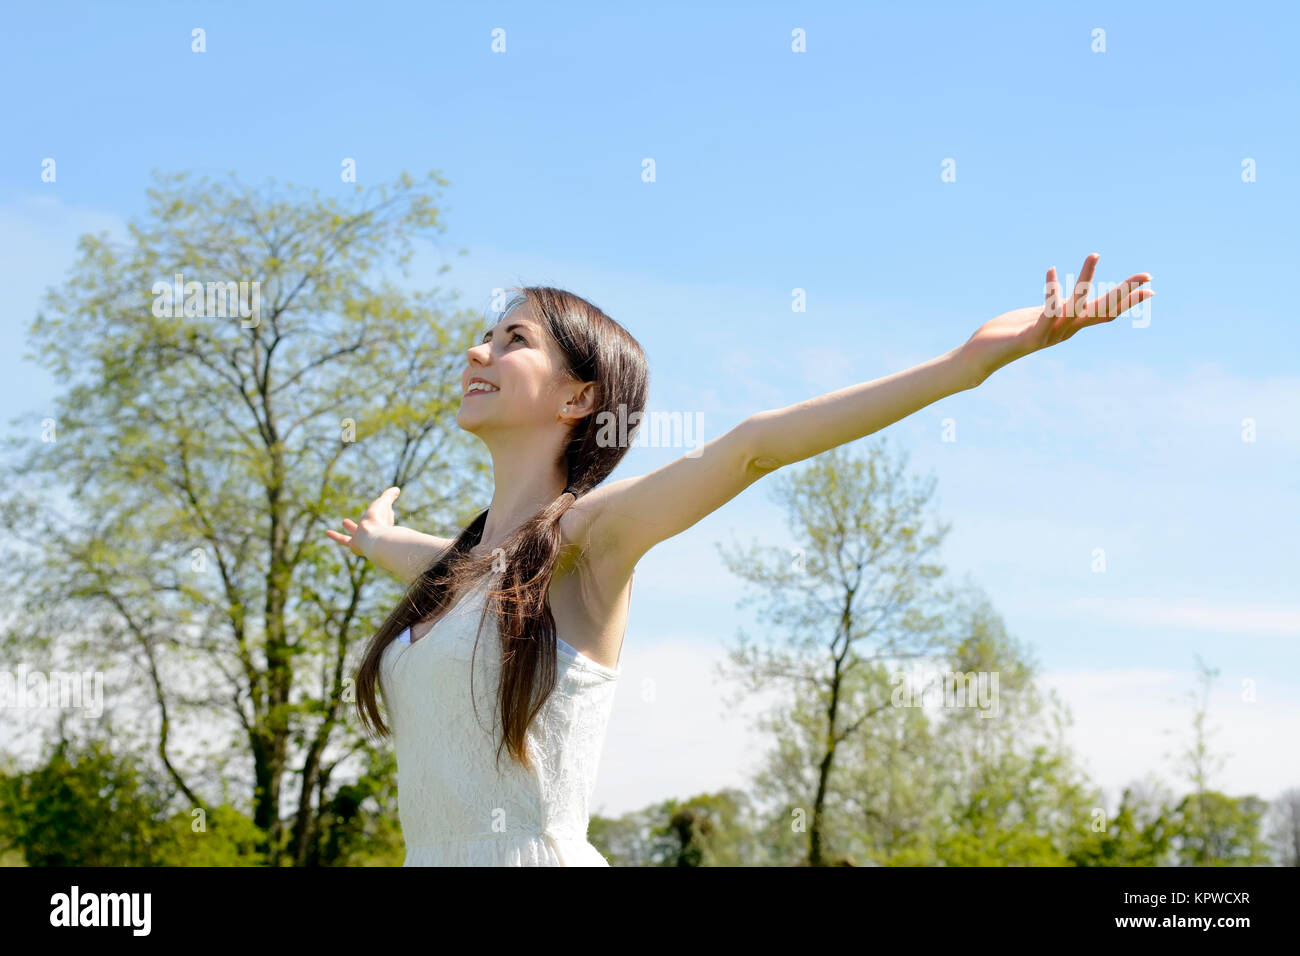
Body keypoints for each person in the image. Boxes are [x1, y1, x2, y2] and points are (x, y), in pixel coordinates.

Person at [326, 257, 1152, 865]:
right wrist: (373, 539)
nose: (477, 352)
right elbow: (437, 564)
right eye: (482, 335)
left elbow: (754, 447)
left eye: (513, 340)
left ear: (579, 398)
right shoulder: (465, 571)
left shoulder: (591, 541)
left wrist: (966, 367)